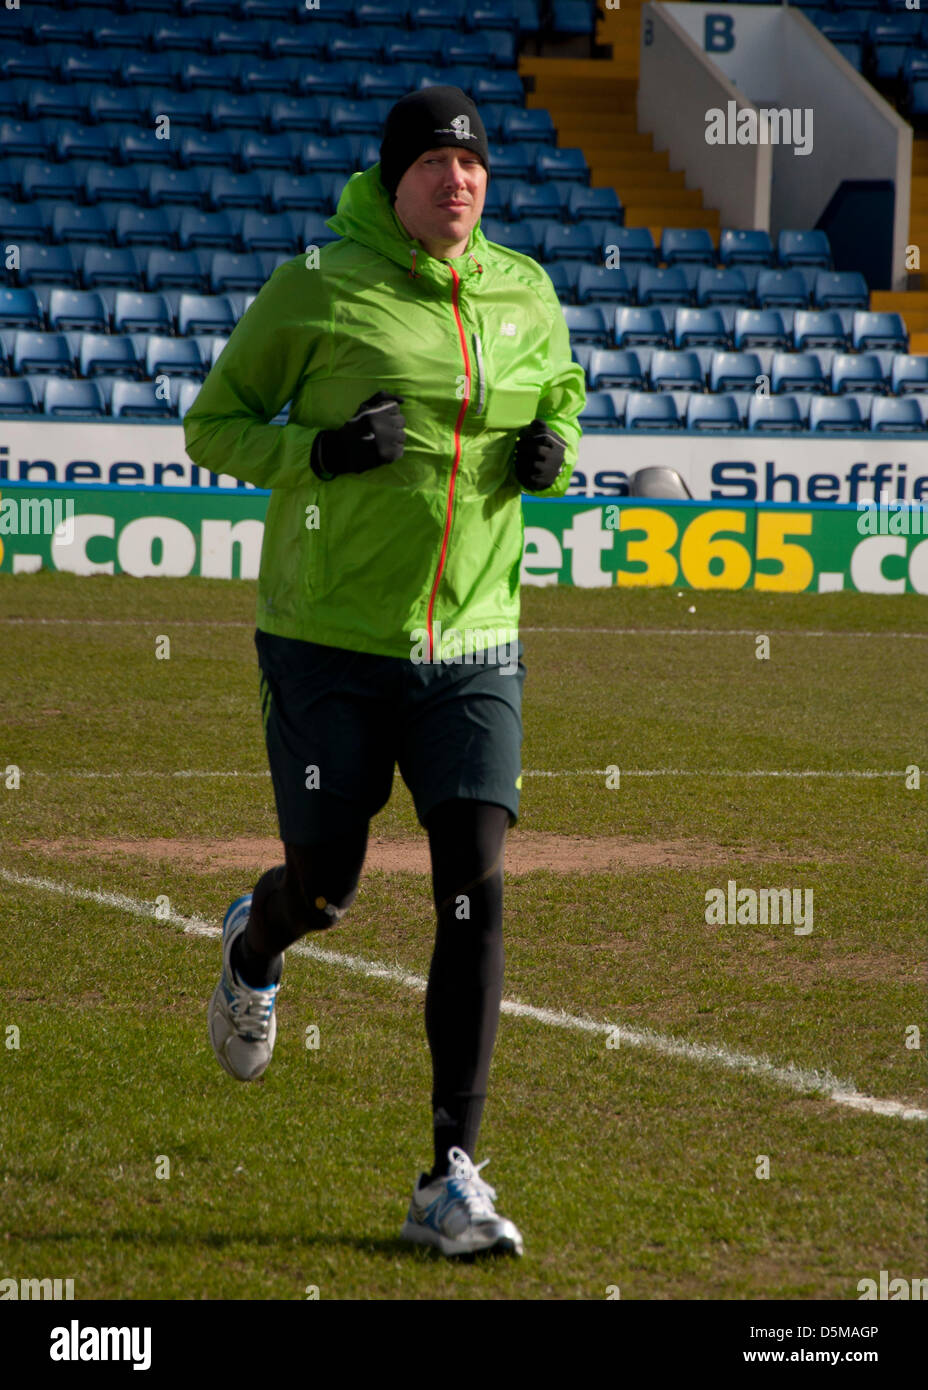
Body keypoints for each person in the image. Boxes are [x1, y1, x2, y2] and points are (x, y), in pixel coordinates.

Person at [183, 85, 586, 1259]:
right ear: (392, 178)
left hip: (474, 642)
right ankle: (257, 945)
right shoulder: (320, 284)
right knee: (326, 885)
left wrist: (558, 447)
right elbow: (212, 425)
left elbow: (559, 391)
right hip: (327, 642)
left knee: (475, 879)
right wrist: (315, 450)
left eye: (473, 169)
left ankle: (447, 1173)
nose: (457, 183)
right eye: (433, 167)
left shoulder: (525, 289)